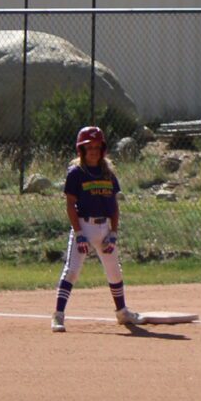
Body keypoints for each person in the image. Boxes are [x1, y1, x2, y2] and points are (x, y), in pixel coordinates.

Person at [53, 125, 138, 332]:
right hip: (84, 226)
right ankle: (58, 315)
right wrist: (79, 234)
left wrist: (114, 233)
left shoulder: (108, 173)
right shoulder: (76, 173)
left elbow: (114, 206)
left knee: (115, 272)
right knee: (72, 271)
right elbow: (70, 205)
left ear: (103, 149)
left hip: (104, 228)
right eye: (89, 147)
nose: (93, 151)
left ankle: (122, 313)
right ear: (81, 150)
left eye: (97, 147)